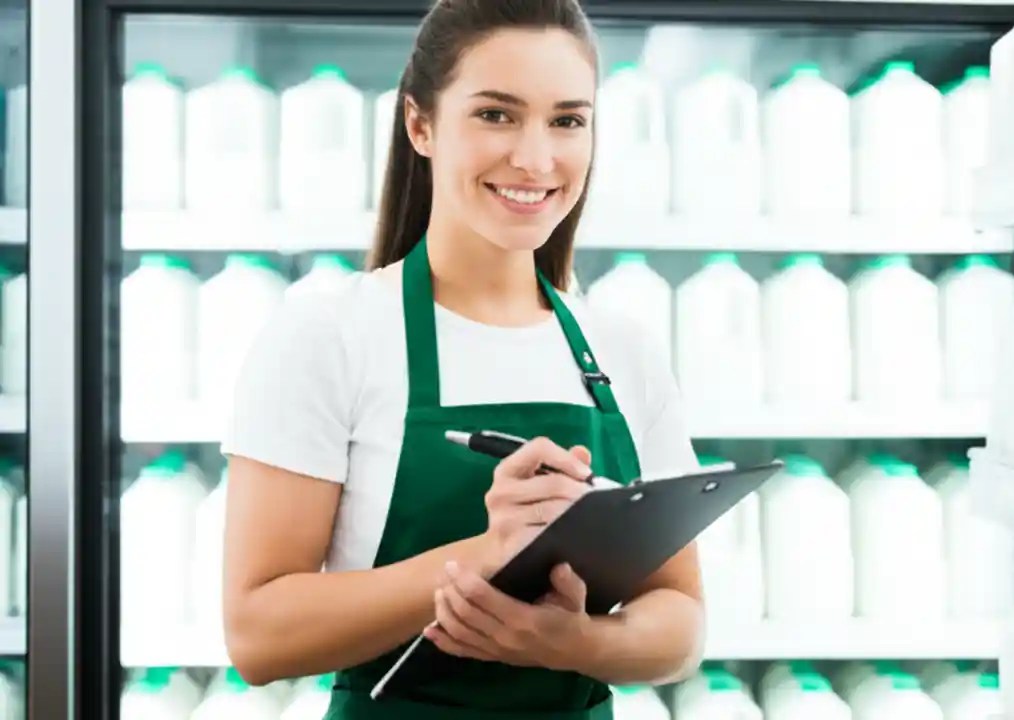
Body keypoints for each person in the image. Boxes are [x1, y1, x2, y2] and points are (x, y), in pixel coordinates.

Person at [219, 1, 706, 717]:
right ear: (420, 125)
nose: (536, 159)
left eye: (567, 121)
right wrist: (487, 554)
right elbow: (258, 636)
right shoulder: (328, 336)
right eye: (496, 115)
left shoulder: (624, 350)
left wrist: (568, 643)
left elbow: (681, 622)